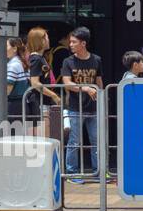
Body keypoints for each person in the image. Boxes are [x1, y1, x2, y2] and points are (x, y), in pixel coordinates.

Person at [60, 26, 103, 175]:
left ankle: (98, 172)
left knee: (96, 141)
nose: (70, 44)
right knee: (74, 142)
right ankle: (72, 172)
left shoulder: (96, 60)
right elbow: (67, 83)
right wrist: (86, 88)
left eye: (74, 42)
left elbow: (99, 82)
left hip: (93, 107)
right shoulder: (68, 61)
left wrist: (101, 99)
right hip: (74, 107)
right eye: (70, 42)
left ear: (83, 43)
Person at [24, 27, 62, 121]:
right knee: (43, 133)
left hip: (43, 101)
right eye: (47, 38)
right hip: (39, 101)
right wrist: (54, 95)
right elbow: (35, 83)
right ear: (41, 40)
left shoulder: (40, 58)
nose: (49, 40)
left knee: (44, 132)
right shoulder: (36, 59)